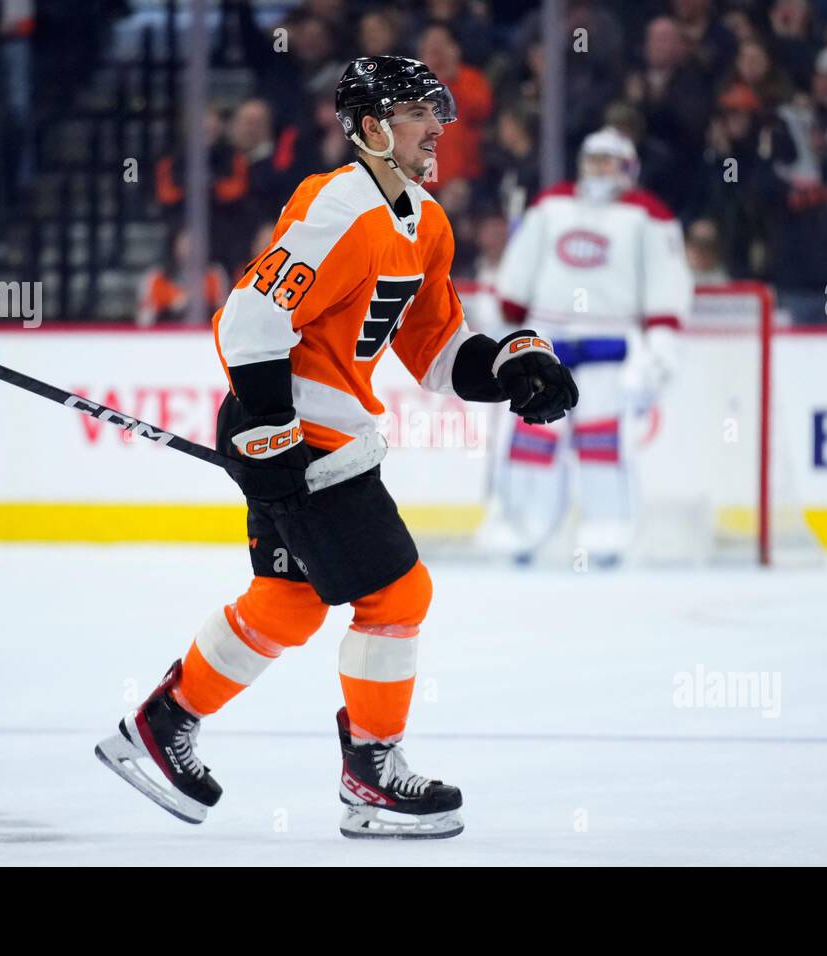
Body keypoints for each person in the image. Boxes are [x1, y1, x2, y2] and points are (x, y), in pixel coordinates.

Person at [96, 56, 578, 840]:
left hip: (307, 435)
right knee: (397, 595)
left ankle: (159, 728)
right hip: (299, 433)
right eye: (420, 113)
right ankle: (373, 775)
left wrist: (509, 364)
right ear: (372, 127)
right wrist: (271, 432)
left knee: (288, 604)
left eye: (437, 111)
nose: (438, 127)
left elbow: (436, 348)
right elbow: (248, 320)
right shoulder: (338, 206)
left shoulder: (424, 221)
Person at [482, 127, 691, 567]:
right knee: (531, 439)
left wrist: (661, 346)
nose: (599, 169)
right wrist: (505, 314)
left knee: (602, 444)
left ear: (628, 168)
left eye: (608, 161)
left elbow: (665, 283)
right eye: (593, 160)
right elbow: (520, 267)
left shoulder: (647, 215)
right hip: (545, 344)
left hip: (608, 349)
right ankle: (522, 524)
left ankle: (607, 528)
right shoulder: (552, 205)